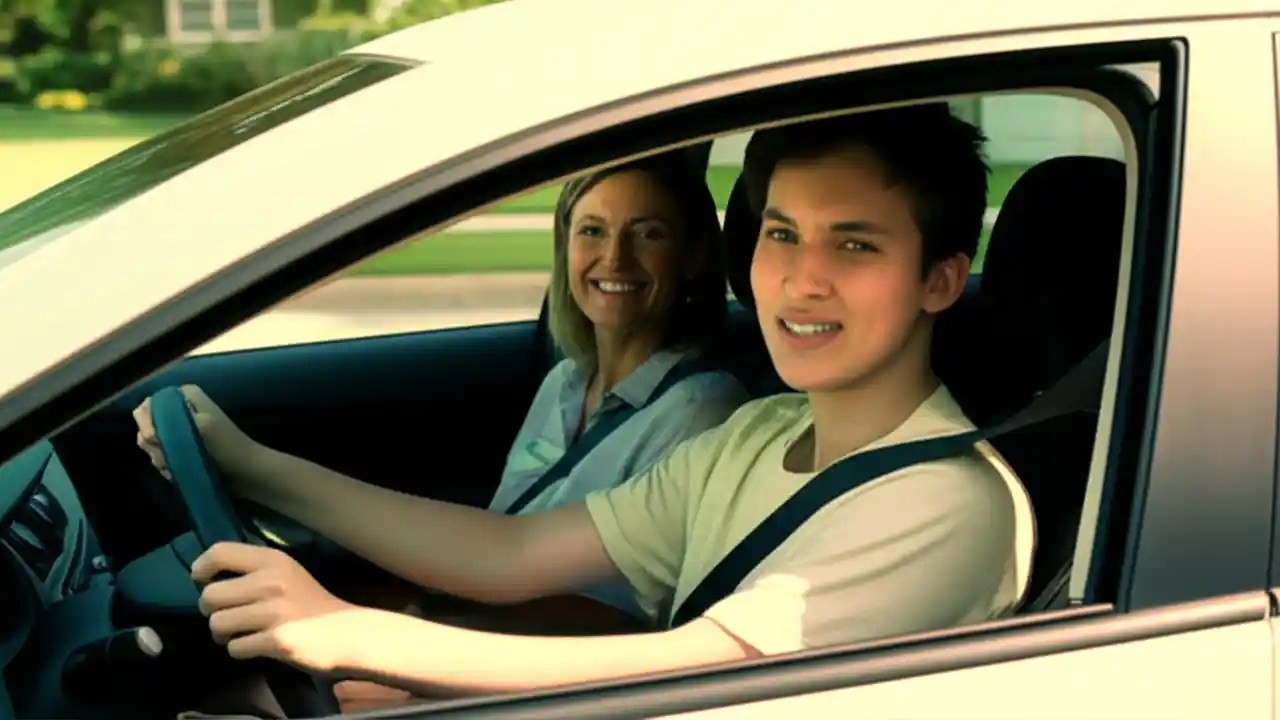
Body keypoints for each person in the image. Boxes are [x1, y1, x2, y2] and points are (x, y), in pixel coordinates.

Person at [138, 102, 1034, 705]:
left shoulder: (945, 502)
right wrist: (255, 466)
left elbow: (686, 671)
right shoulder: (760, 434)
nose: (802, 280)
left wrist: (351, 635)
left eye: (855, 245)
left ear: (940, 281)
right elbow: (513, 551)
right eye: (781, 234)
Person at [138, 152, 750, 633]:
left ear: (697, 255)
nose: (614, 258)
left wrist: (413, 638)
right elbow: (499, 538)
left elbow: (625, 616)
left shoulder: (703, 409)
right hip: (478, 623)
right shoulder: (565, 381)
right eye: (592, 231)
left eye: (648, 234)